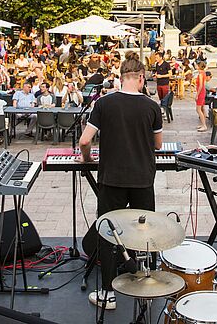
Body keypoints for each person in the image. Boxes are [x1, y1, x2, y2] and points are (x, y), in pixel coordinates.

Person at [78, 54, 163, 311]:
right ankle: (143, 284)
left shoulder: (104, 103)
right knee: (143, 231)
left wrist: (87, 159)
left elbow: (84, 141)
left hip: (112, 178)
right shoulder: (152, 107)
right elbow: (158, 144)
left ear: (120, 77)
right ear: (140, 78)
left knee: (108, 232)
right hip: (142, 178)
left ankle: (107, 293)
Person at [195, 61, 208, 132]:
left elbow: (200, 85)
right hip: (203, 91)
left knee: (198, 109)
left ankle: (204, 125)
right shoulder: (203, 73)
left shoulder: (200, 74)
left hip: (200, 92)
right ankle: (203, 123)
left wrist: (197, 95)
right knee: (202, 108)